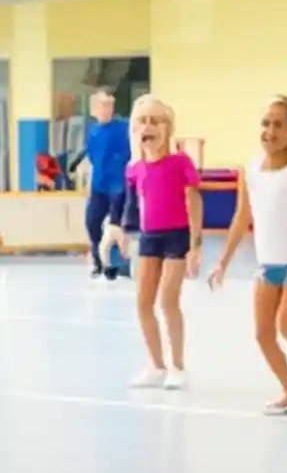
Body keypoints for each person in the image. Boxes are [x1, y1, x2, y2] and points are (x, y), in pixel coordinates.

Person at [209, 95, 287, 416]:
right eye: (265, 123)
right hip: (267, 266)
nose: (270, 131)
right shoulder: (250, 170)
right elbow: (240, 217)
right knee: (263, 333)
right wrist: (222, 262)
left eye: (278, 124)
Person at [126, 96, 202, 390]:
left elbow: (193, 201)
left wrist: (195, 244)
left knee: (168, 300)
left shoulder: (180, 162)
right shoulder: (135, 167)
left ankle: (177, 365)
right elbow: (133, 205)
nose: (149, 126)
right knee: (143, 302)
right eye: (143, 121)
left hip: (177, 235)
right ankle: (156, 365)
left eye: (155, 121)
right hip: (150, 237)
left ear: (168, 128)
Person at [73, 88, 131, 279]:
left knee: (116, 227)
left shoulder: (123, 127)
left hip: (119, 186)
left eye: (109, 105)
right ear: (94, 109)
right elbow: (92, 157)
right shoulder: (94, 131)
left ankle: (116, 265)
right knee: (92, 222)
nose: (107, 109)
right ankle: (98, 261)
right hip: (99, 185)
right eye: (102, 105)